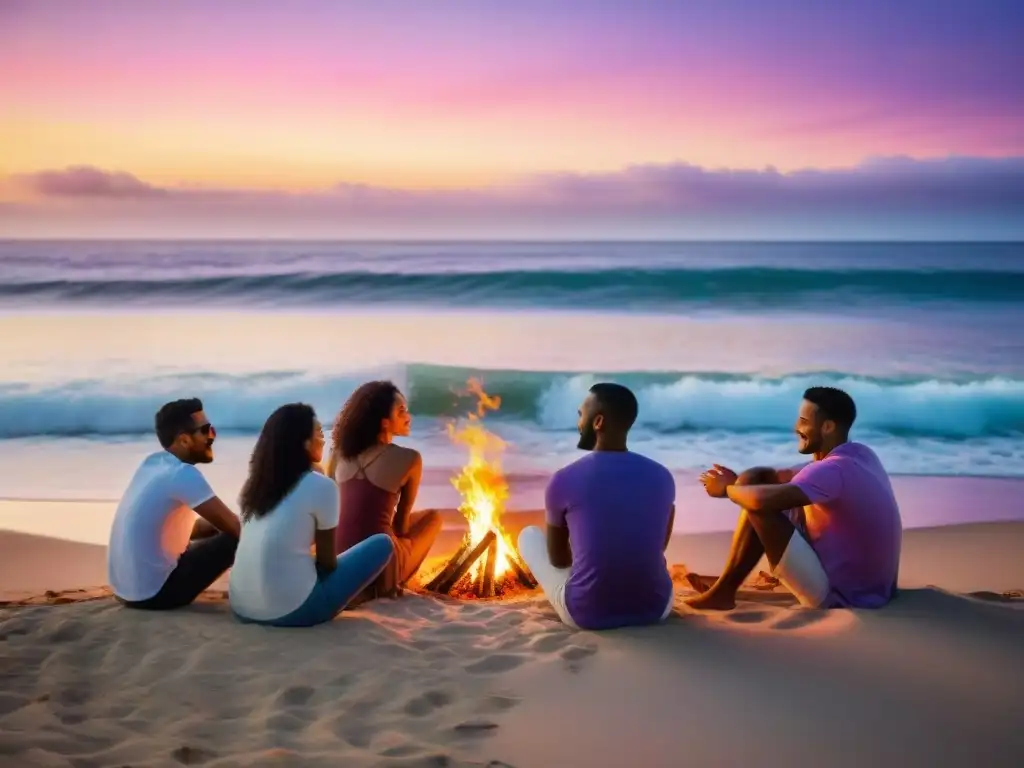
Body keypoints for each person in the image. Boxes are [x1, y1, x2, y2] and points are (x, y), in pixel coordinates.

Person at [687, 386, 902, 611]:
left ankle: (723, 592)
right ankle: (728, 580)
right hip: (875, 587)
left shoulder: (832, 471)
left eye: (803, 421)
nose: (796, 428)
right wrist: (745, 480)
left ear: (827, 427)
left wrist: (727, 489)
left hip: (841, 596)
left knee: (761, 501)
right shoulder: (860, 455)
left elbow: (761, 501)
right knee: (757, 479)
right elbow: (784, 476)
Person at [517, 383, 676, 631]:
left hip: (586, 615)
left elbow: (559, 561)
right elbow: (660, 546)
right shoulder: (662, 476)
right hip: (656, 609)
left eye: (582, 415)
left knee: (528, 535)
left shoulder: (563, 479)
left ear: (598, 422)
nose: (579, 423)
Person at [228, 403, 394, 626]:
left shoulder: (256, 486)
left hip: (241, 607)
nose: (323, 439)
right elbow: (327, 563)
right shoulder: (322, 486)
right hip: (295, 611)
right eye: (318, 433)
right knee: (382, 544)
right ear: (303, 443)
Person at [108, 398, 241, 610]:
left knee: (215, 528)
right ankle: (264, 592)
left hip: (125, 590)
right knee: (236, 537)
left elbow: (171, 528)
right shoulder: (182, 474)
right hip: (156, 595)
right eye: (206, 430)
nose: (213, 436)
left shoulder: (152, 464)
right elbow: (236, 529)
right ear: (184, 440)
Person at [329, 381, 442, 600]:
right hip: (381, 569)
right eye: (401, 411)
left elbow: (331, 512)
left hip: (339, 563)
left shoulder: (337, 453)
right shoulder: (410, 459)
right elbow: (400, 526)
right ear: (383, 422)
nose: (408, 416)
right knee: (433, 518)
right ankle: (398, 579)